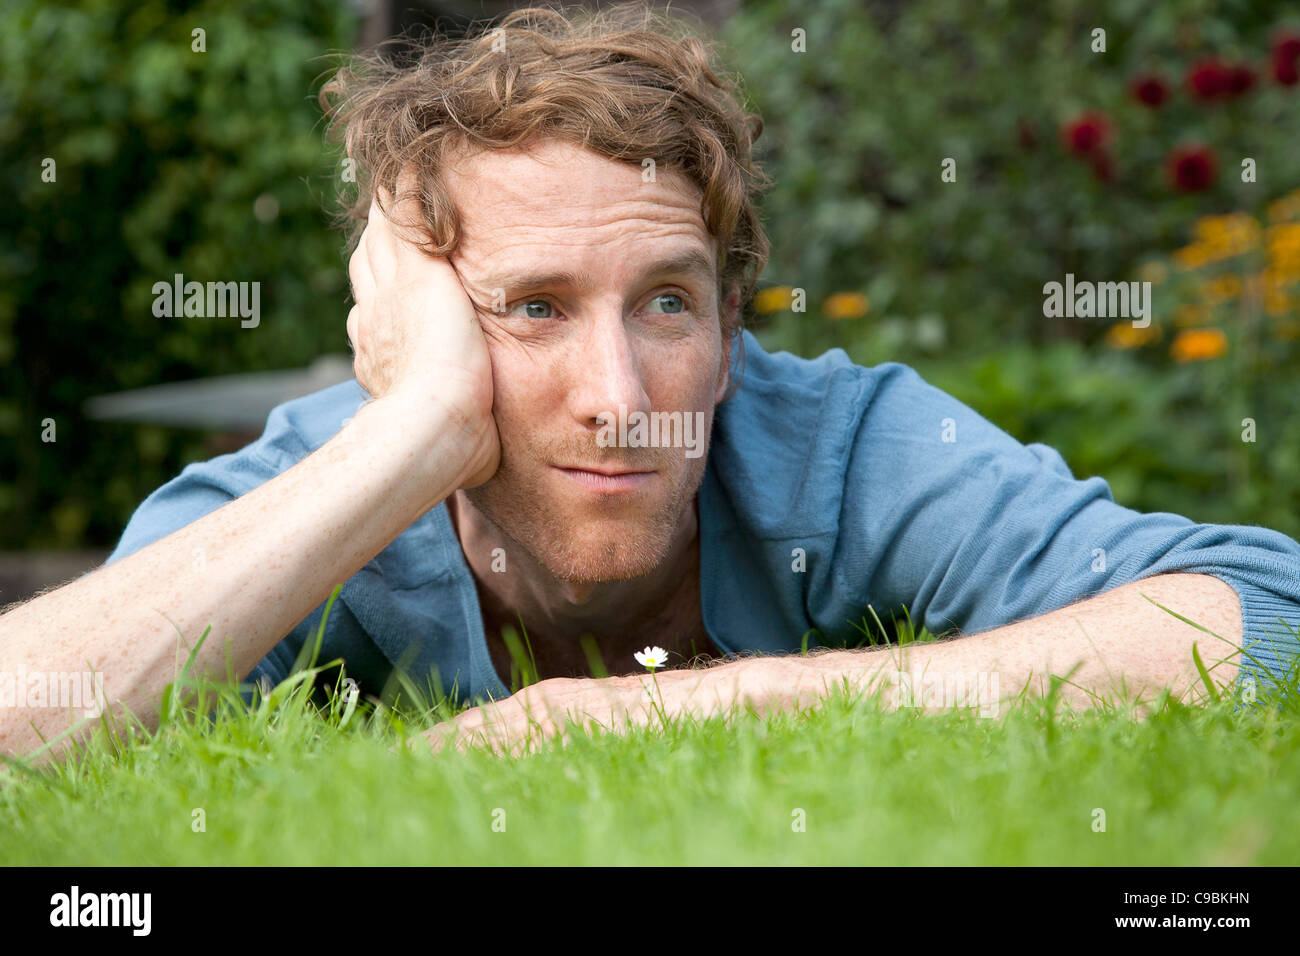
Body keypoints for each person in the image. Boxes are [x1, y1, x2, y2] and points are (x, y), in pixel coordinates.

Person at [3, 4, 1297, 761]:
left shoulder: (834, 447)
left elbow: (1265, 619)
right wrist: (418, 429)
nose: (621, 392)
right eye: (533, 308)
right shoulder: (320, 482)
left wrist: (648, 715)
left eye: (667, 302)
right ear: (416, 325)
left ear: (733, 323)